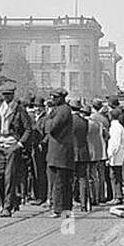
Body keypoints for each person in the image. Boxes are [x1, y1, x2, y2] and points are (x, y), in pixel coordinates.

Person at [0, 83, 30, 217]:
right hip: (0, 144)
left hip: (12, 144)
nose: (6, 97)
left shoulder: (19, 110)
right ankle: (6, 202)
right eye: (4, 95)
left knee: (10, 177)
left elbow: (27, 129)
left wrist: (19, 144)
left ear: (13, 95)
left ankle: (7, 207)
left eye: (9, 95)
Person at [45, 88, 75, 217]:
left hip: (60, 151)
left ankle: (58, 209)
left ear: (61, 98)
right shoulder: (63, 109)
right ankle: (66, 208)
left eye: (55, 97)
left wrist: (48, 118)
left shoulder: (62, 110)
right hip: (60, 151)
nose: (52, 100)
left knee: (59, 182)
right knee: (63, 182)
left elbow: (50, 127)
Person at [71, 100, 93, 212]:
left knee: (71, 178)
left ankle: (71, 201)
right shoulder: (84, 122)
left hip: (71, 153)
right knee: (83, 178)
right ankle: (84, 204)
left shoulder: (69, 121)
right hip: (83, 152)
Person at [106, 101, 124, 203]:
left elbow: (114, 143)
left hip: (115, 155)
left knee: (114, 176)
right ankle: (117, 196)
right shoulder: (120, 126)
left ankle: (117, 196)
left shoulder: (115, 127)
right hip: (119, 155)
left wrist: (109, 155)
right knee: (117, 176)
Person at [87, 101, 108, 204]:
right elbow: (107, 135)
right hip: (101, 151)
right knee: (101, 176)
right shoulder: (103, 120)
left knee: (92, 175)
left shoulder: (92, 119)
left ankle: (93, 197)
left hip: (91, 152)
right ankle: (101, 196)